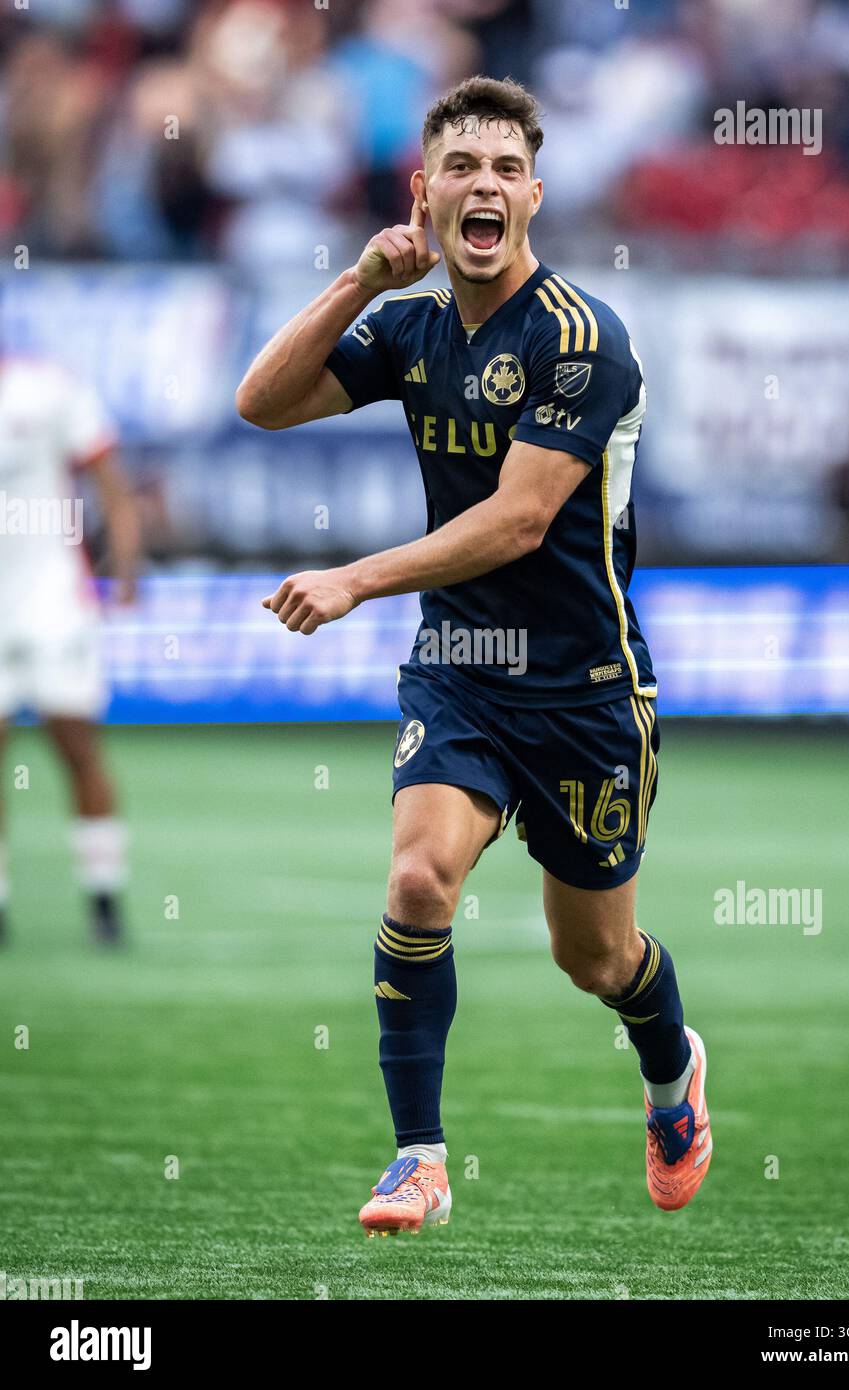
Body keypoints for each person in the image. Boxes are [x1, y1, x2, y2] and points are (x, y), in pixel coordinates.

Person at [237, 76, 712, 1235]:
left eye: (505, 168)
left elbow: (515, 521)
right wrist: (358, 280)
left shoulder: (583, 339)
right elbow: (261, 402)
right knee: (415, 880)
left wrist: (353, 576)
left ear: (534, 194)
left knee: (594, 958)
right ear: (425, 194)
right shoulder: (410, 324)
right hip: (457, 666)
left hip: (586, 688)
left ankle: (672, 1078)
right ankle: (418, 1159)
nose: (484, 184)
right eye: (462, 167)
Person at [0, 354, 138, 945]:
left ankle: (104, 898)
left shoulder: (45, 386)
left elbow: (110, 480)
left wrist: (126, 563)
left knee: (77, 746)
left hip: (53, 599)